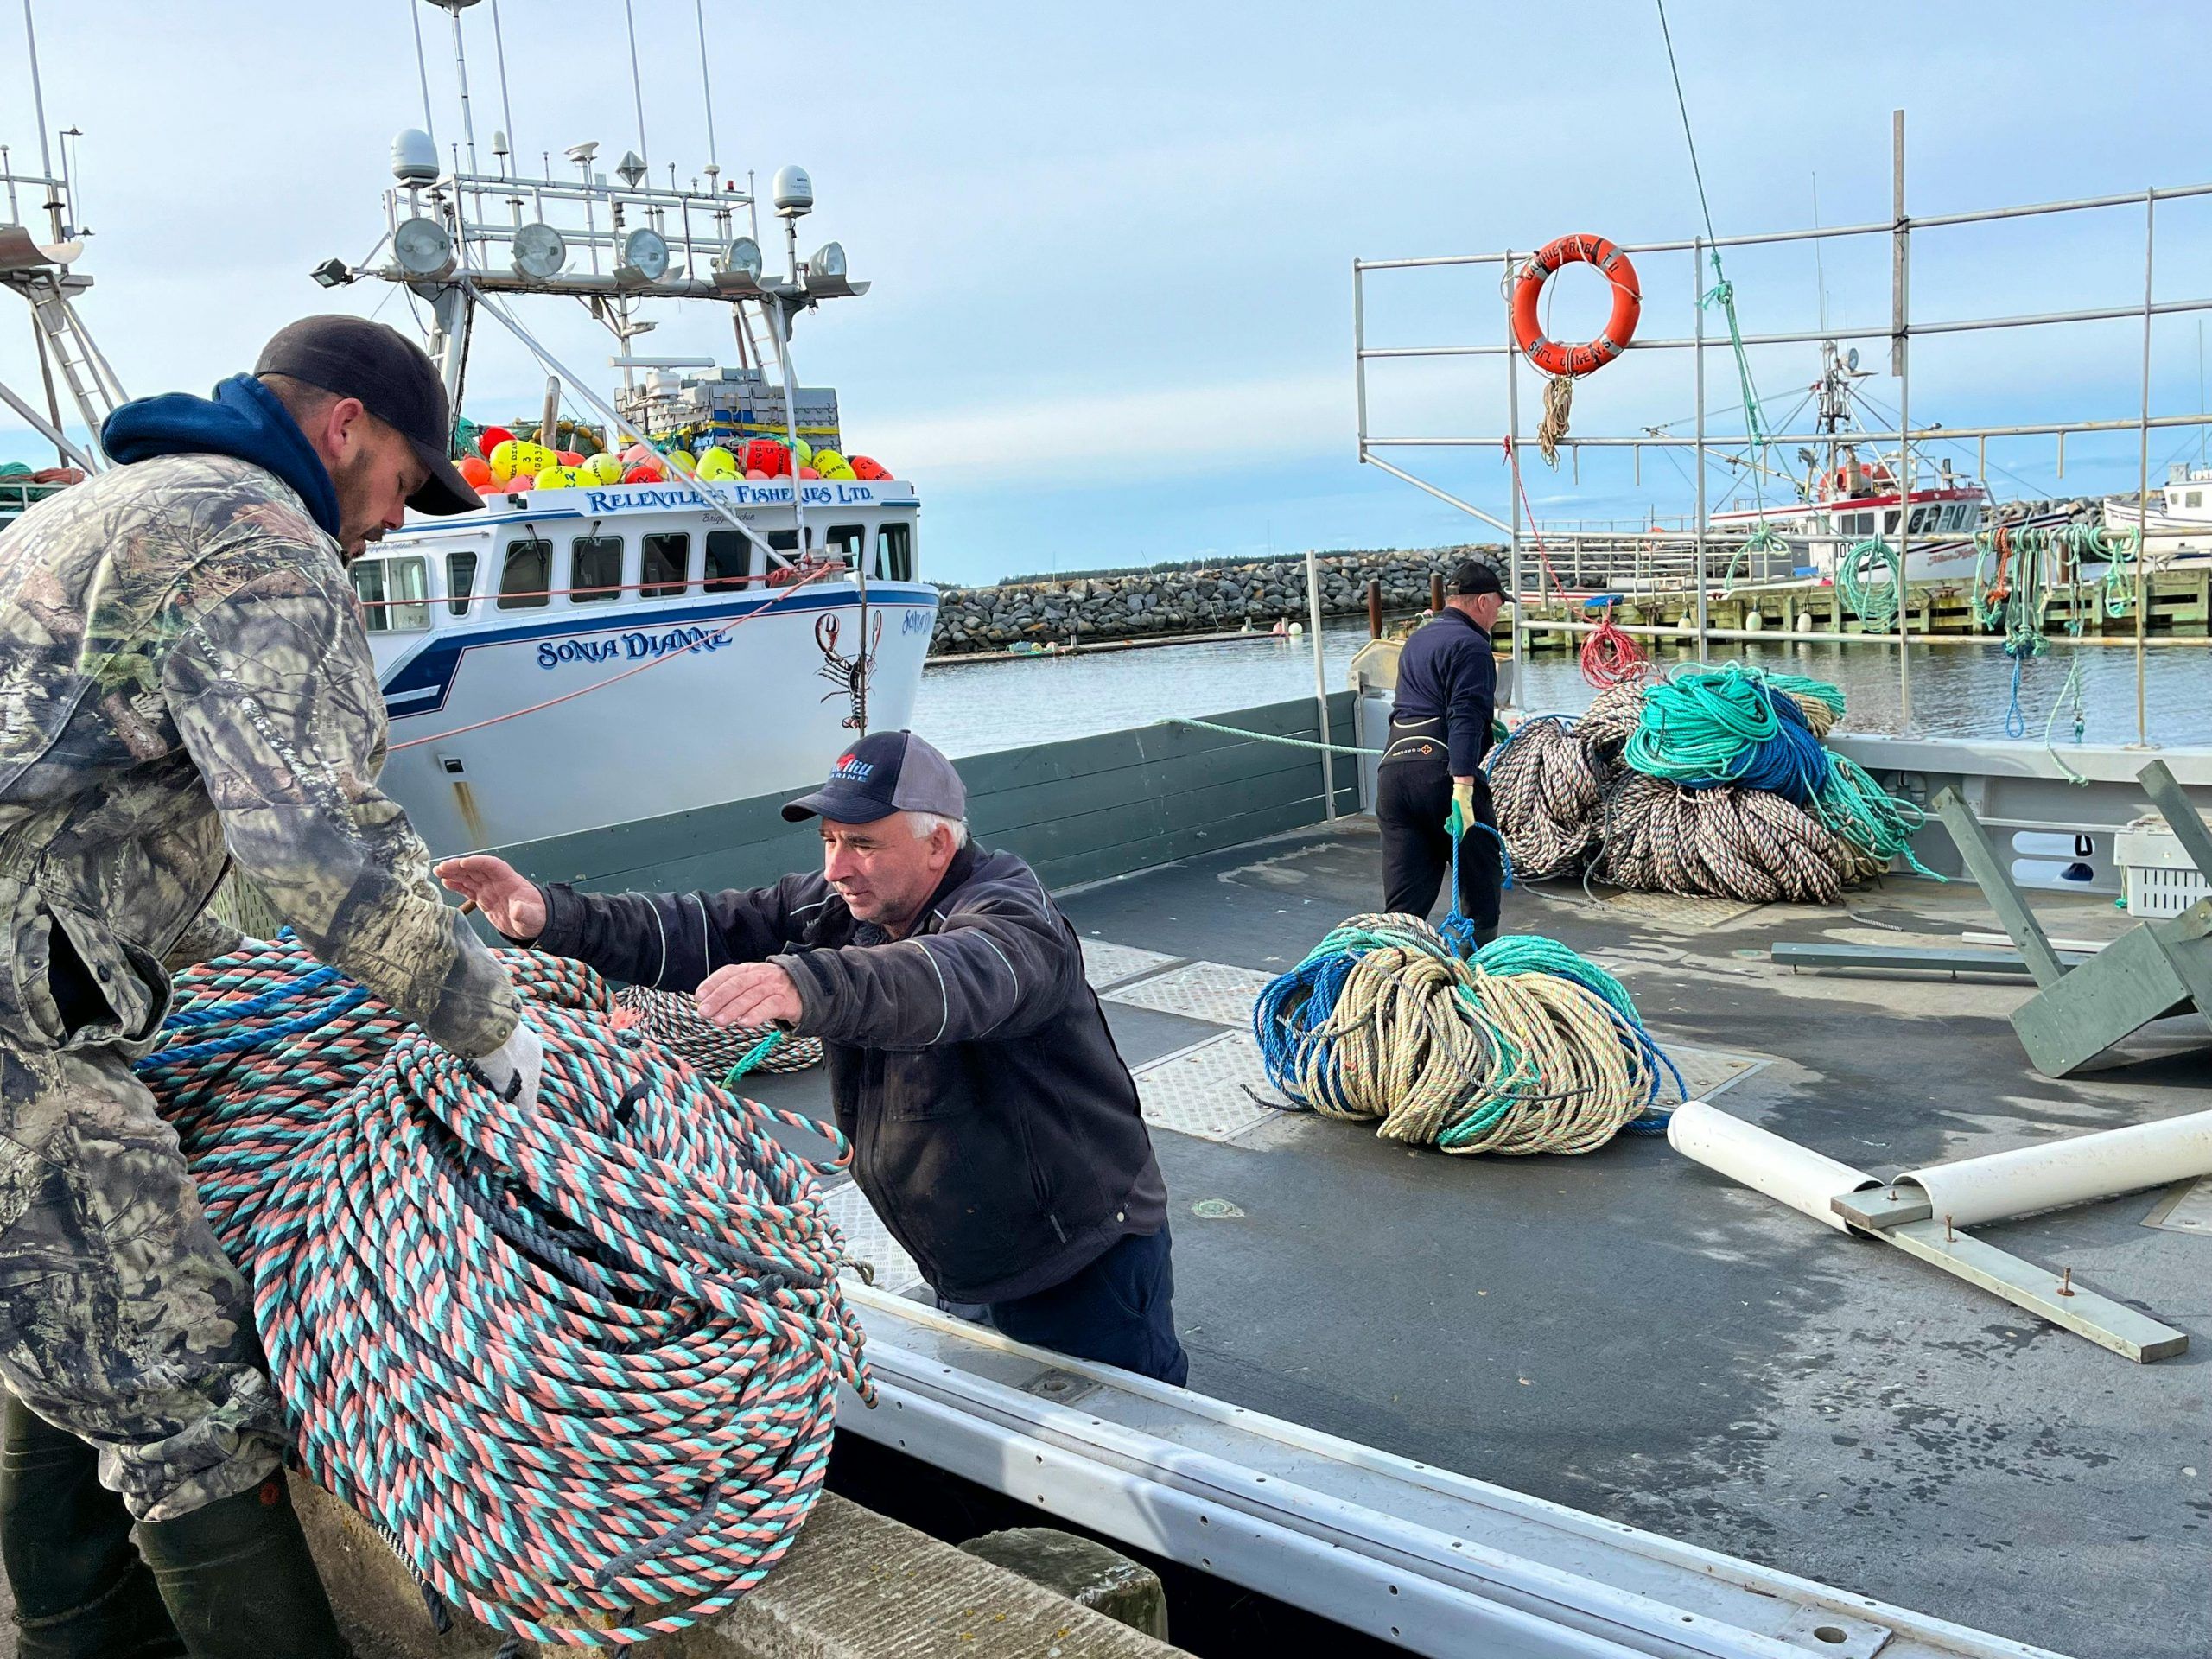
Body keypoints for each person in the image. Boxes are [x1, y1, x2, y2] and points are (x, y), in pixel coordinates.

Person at [0, 316, 543, 1657]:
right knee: (187, 1398)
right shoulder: (261, 538)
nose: (390, 525)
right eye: (405, 485)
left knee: (72, 1329)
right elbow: (310, 842)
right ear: (342, 428)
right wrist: (481, 1015)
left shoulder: (123, 504)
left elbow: (121, 784)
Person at [436, 729, 1191, 1387]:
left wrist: (802, 980)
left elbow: (952, 977)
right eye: (830, 840)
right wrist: (551, 915)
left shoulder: (1010, 915)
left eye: (863, 843)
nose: (837, 867)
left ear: (938, 843)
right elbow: (709, 925)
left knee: (1137, 1442)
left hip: (1077, 1255)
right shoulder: (839, 907)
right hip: (962, 1250)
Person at [1378, 559, 1506, 940]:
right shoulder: (1473, 647)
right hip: (1443, 776)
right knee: (1482, 877)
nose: (1499, 614)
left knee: (1405, 905)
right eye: (1499, 604)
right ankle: (1483, 971)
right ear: (1483, 601)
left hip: (1394, 776)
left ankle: (1390, 979)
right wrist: (1464, 789)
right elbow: (1463, 715)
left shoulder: (1417, 639)